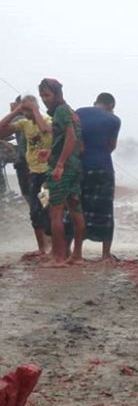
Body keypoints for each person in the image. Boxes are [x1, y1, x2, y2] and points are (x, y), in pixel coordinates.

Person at [38, 78, 84, 267]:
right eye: (41, 96)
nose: (44, 100)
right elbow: (74, 141)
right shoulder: (71, 112)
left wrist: (60, 164)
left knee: (54, 212)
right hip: (75, 166)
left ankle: (58, 257)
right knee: (75, 208)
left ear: (57, 94)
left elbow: (71, 137)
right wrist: (51, 153)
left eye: (47, 95)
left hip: (63, 168)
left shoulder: (61, 111)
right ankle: (77, 256)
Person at [0, 95, 52, 257]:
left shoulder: (48, 120)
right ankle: (42, 248)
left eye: (28, 110)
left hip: (47, 172)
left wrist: (35, 110)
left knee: (47, 208)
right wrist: (16, 111)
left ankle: (54, 246)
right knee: (34, 210)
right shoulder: (24, 122)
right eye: (25, 111)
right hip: (32, 171)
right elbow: (1, 129)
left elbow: (45, 130)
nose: (27, 114)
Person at [74, 92, 121, 261]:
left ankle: (75, 252)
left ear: (95, 102)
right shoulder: (113, 120)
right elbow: (111, 146)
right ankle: (105, 254)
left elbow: (73, 139)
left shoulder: (78, 112)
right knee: (105, 210)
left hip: (79, 167)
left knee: (77, 209)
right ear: (111, 107)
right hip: (102, 168)